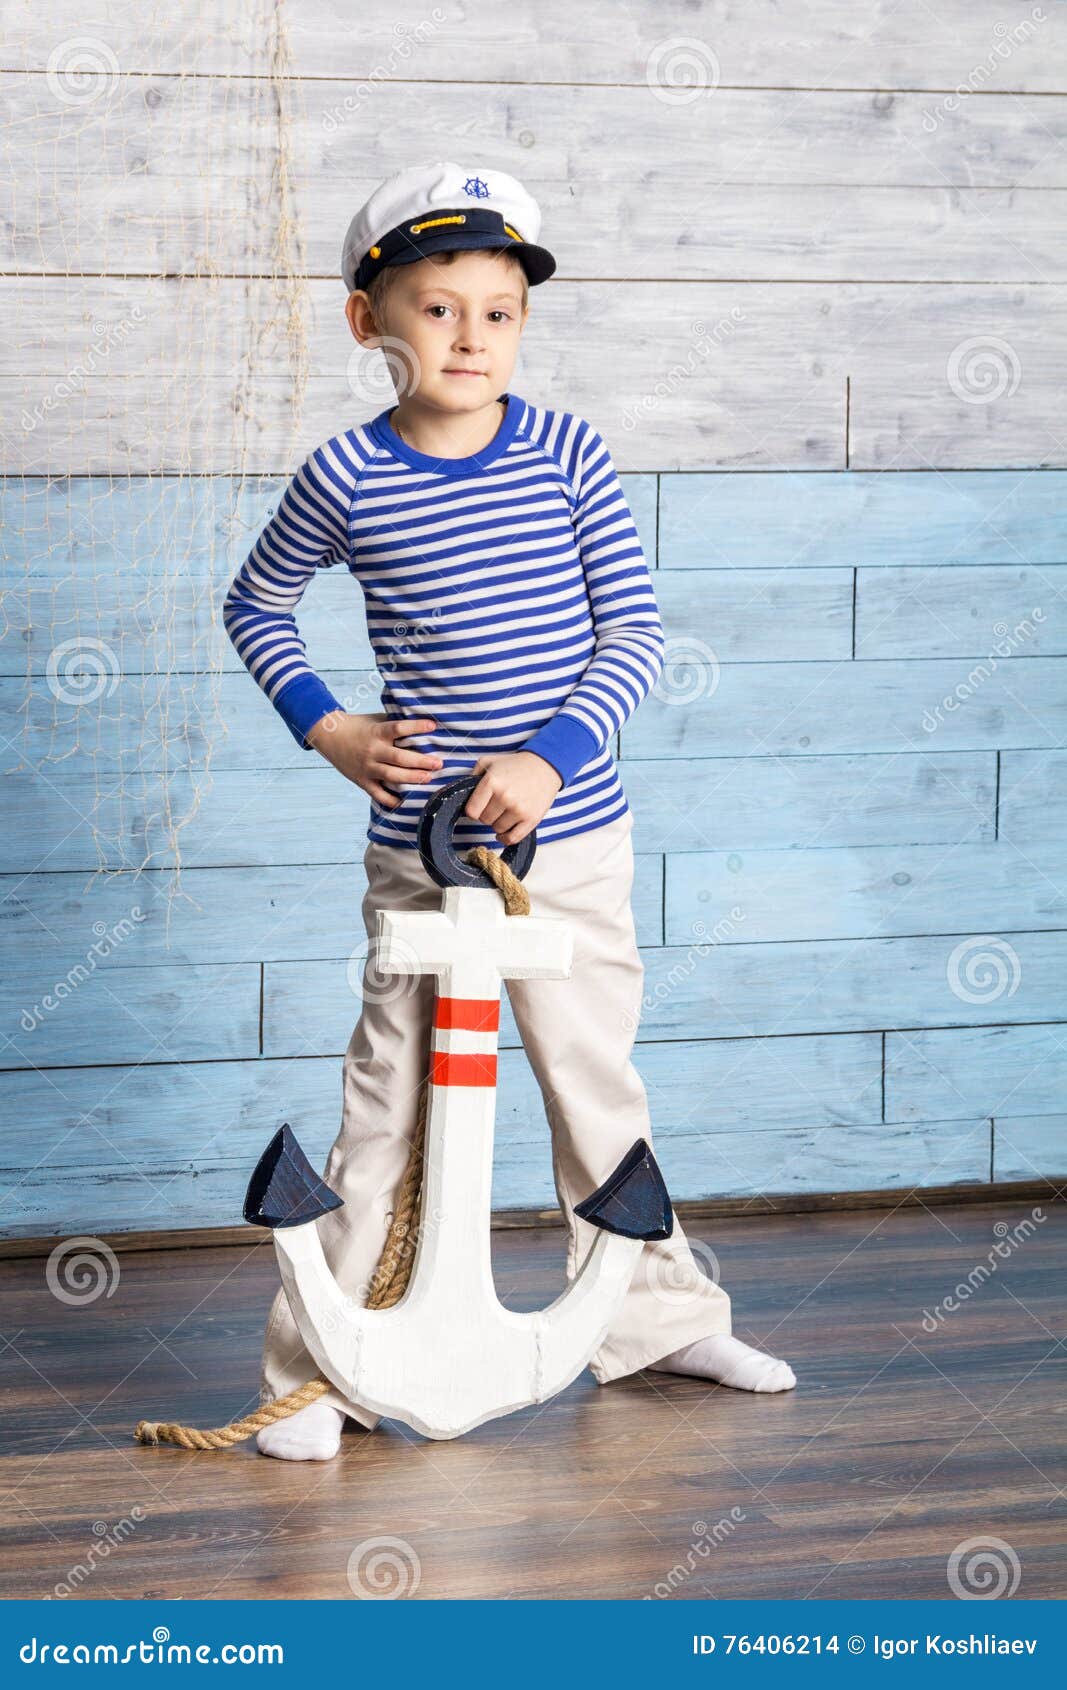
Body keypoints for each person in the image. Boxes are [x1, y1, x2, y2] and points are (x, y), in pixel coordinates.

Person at [222, 161, 795, 1460]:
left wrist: (549, 758)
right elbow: (255, 604)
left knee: (593, 1082)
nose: (470, 337)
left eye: (498, 311)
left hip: (569, 847)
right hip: (422, 857)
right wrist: (330, 727)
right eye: (437, 309)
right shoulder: (344, 476)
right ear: (368, 320)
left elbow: (635, 636)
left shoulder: (569, 453)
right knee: (388, 1101)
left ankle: (655, 1318)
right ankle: (318, 1375)